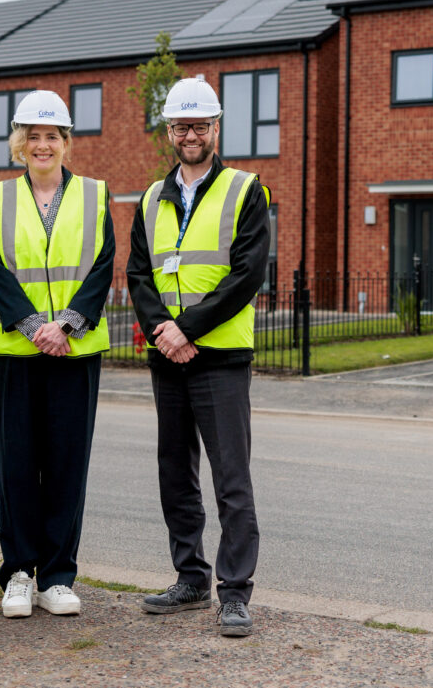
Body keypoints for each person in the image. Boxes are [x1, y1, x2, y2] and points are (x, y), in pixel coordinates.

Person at [126, 76, 270, 637]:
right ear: (169, 131)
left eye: (200, 125)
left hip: (220, 357)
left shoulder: (245, 188)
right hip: (168, 356)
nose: (191, 134)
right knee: (174, 473)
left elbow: (247, 274)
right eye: (181, 126)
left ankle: (234, 593)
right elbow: (139, 274)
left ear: (216, 128)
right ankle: (190, 577)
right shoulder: (149, 198)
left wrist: (185, 328)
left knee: (232, 479)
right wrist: (163, 333)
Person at [0, 89, 114, 619]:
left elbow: (102, 265)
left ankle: (57, 576)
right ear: (19, 143)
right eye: (33, 136)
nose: (42, 145)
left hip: (76, 350)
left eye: (52, 136)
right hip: (18, 349)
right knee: (15, 462)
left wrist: (67, 325)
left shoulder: (96, 195)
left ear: (66, 143)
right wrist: (38, 326)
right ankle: (17, 572)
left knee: (65, 464)